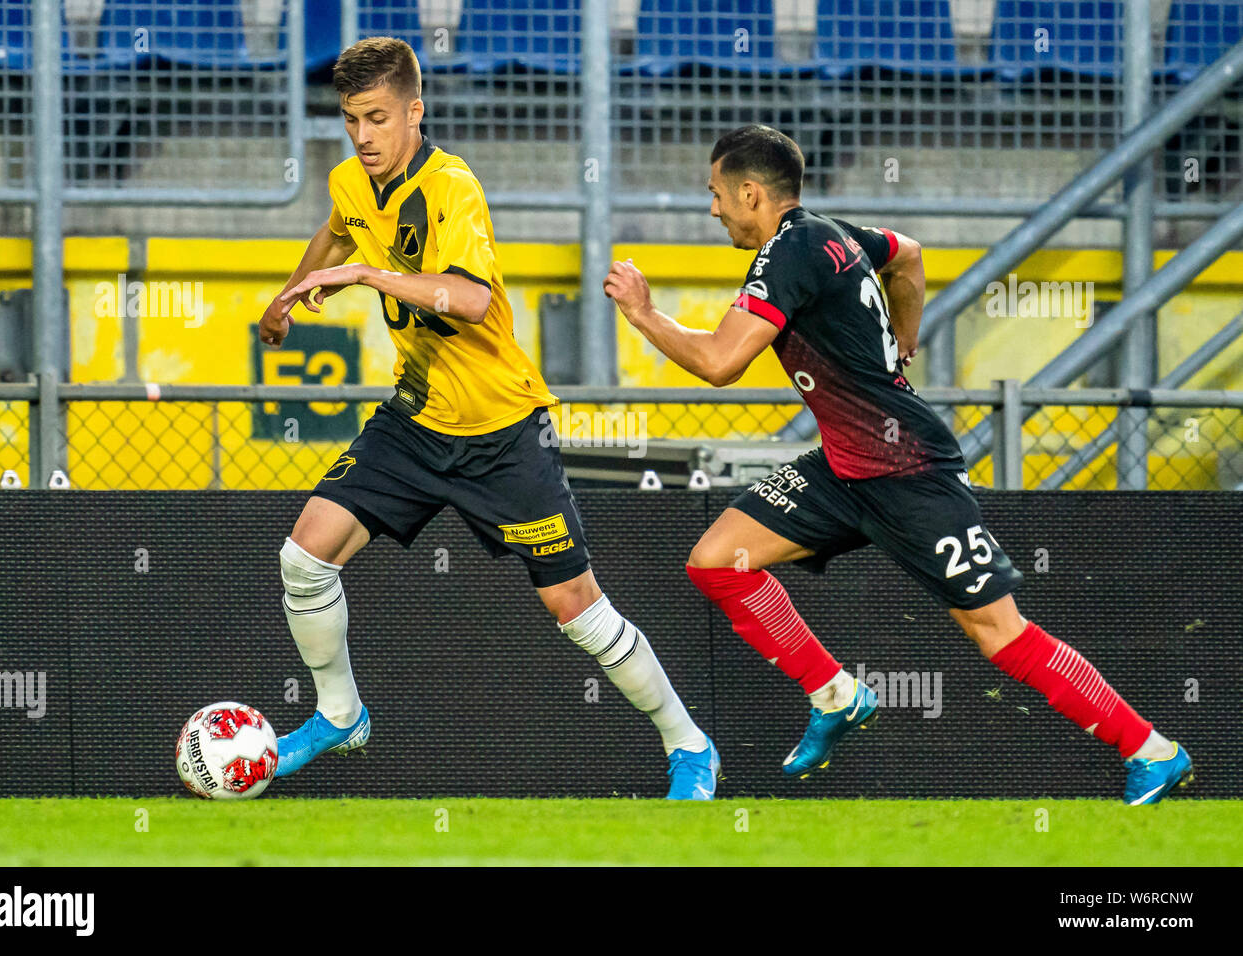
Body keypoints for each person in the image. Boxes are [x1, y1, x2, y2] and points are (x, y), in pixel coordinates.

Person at [602, 124, 1192, 805]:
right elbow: (908, 255)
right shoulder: (834, 232)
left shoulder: (786, 253)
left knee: (1000, 634)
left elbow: (719, 363)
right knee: (718, 560)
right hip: (846, 466)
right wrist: (905, 336)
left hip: (909, 468)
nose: (712, 210)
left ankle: (1153, 751)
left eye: (715, 195)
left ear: (750, 191)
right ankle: (836, 694)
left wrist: (644, 314)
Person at [257, 37, 719, 799]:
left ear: (415, 110)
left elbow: (469, 299)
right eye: (349, 120)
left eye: (376, 118)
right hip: (415, 419)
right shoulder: (351, 180)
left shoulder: (451, 187)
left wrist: (369, 274)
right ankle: (340, 715)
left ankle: (689, 744)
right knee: (304, 557)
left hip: (503, 431)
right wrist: (288, 296)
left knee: (576, 608)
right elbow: (338, 230)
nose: (363, 136)